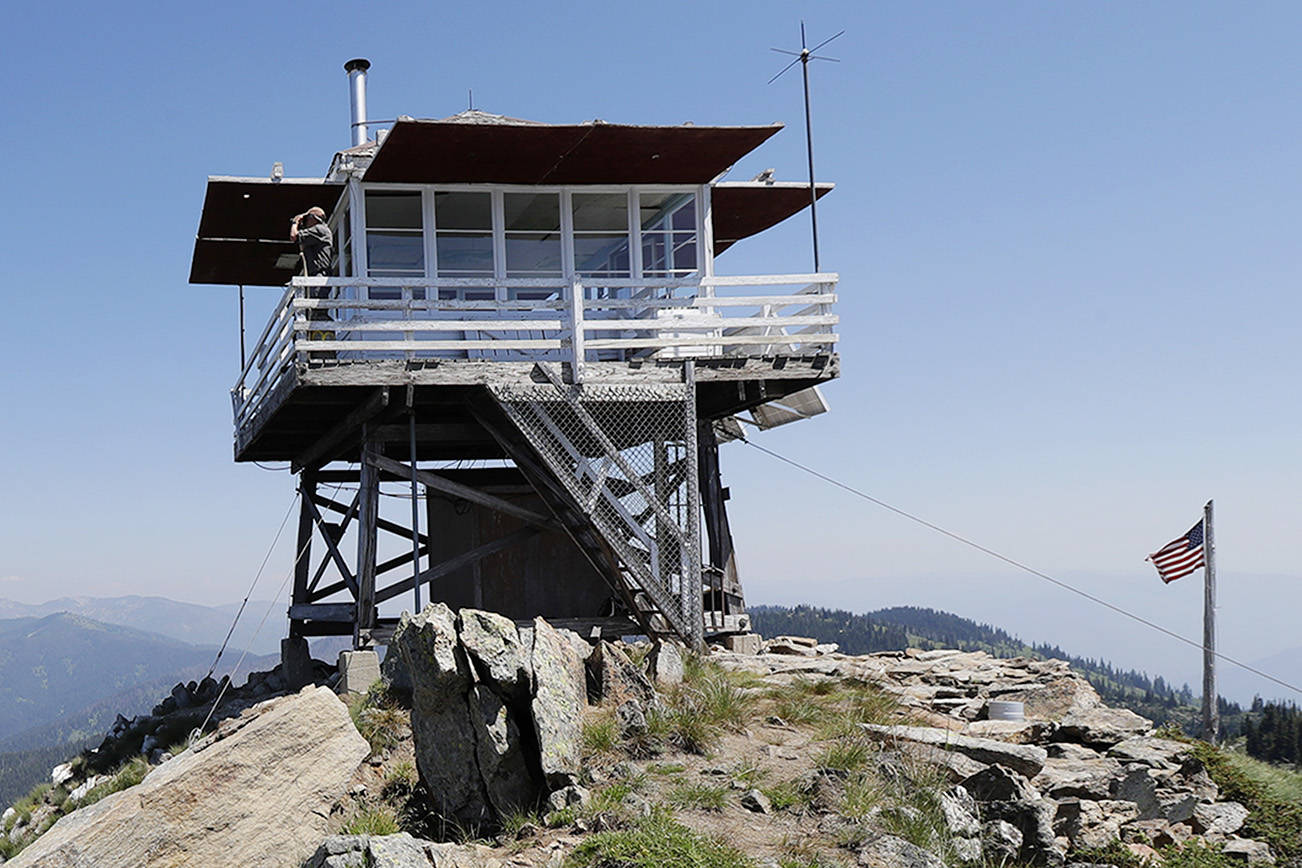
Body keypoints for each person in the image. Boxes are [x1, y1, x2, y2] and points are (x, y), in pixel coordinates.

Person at [290, 207, 336, 353]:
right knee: (308, 314)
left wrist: (295, 222)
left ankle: (322, 351)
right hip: (315, 277)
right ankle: (311, 350)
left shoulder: (320, 230)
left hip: (318, 277)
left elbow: (294, 236)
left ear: (315, 218)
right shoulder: (317, 232)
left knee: (317, 313)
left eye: (308, 218)